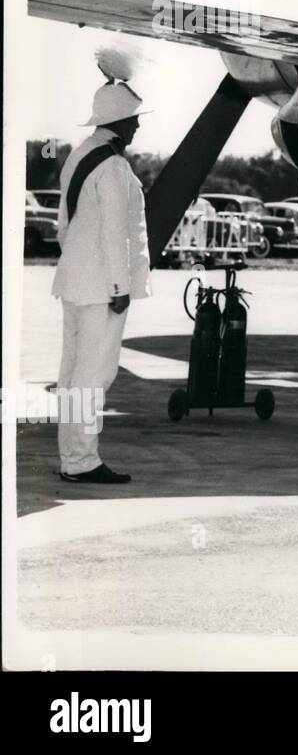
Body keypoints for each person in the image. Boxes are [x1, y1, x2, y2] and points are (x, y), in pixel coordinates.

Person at [52, 72, 152, 483]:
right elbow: (115, 232)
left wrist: (79, 266)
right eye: (133, 118)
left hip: (75, 280)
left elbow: (64, 225)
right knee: (93, 376)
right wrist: (119, 288)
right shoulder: (111, 166)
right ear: (119, 120)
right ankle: (83, 461)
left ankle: (72, 458)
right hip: (100, 287)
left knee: (73, 373)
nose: (138, 125)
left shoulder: (79, 155)